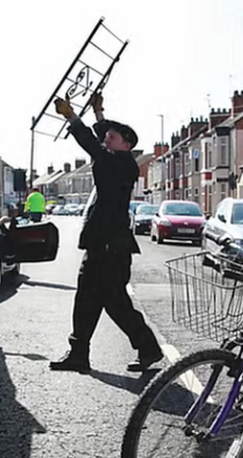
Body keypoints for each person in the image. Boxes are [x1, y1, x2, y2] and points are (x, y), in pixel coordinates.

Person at [48, 92, 163, 374]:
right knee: (88, 300)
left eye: (114, 136)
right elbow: (99, 136)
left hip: (112, 250)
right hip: (102, 246)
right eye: (108, 134)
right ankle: (79, 354)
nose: (107, 137)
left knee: (115, 304)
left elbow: (91, 143)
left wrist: (72, 117)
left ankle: (147, 348)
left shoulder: (122, 164)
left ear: (127, 145)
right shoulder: (115, 158)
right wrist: (99, 112)